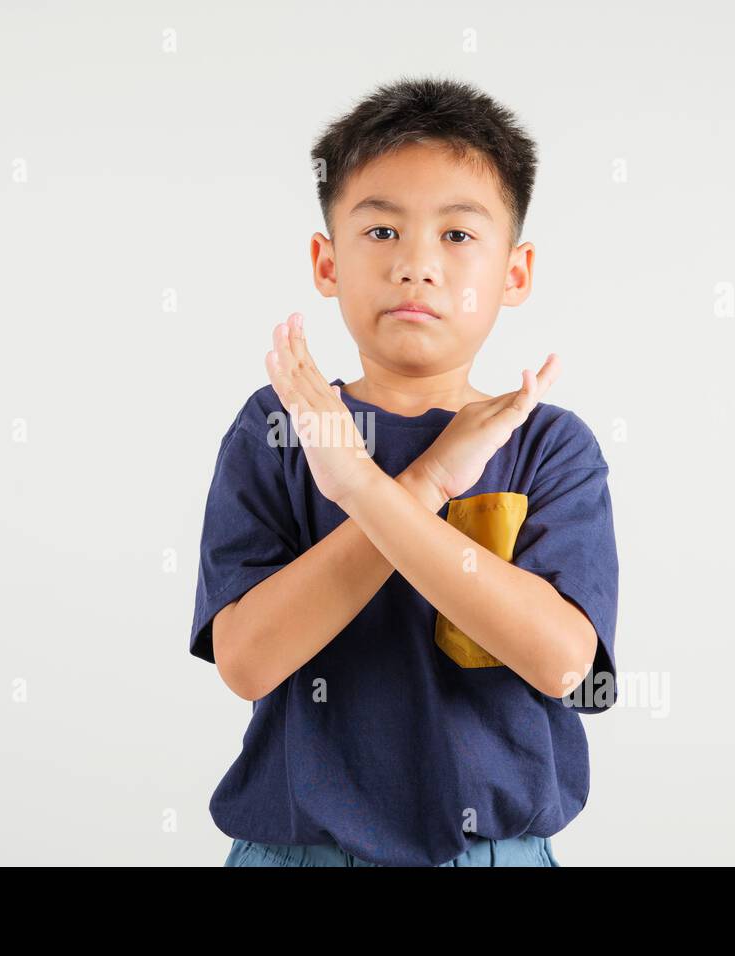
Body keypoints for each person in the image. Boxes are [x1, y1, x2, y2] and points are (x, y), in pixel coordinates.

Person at [189, 75, 620, 867]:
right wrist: (419, 486)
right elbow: (247, 662)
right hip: (299, 853)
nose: (417, 266)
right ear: (326, 261)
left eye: (458, 237)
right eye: (382, 232)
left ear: (515, 273)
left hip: (495, 854)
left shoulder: (547, 444)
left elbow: (564, 664)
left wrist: (358, 486)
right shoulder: (279, 427)